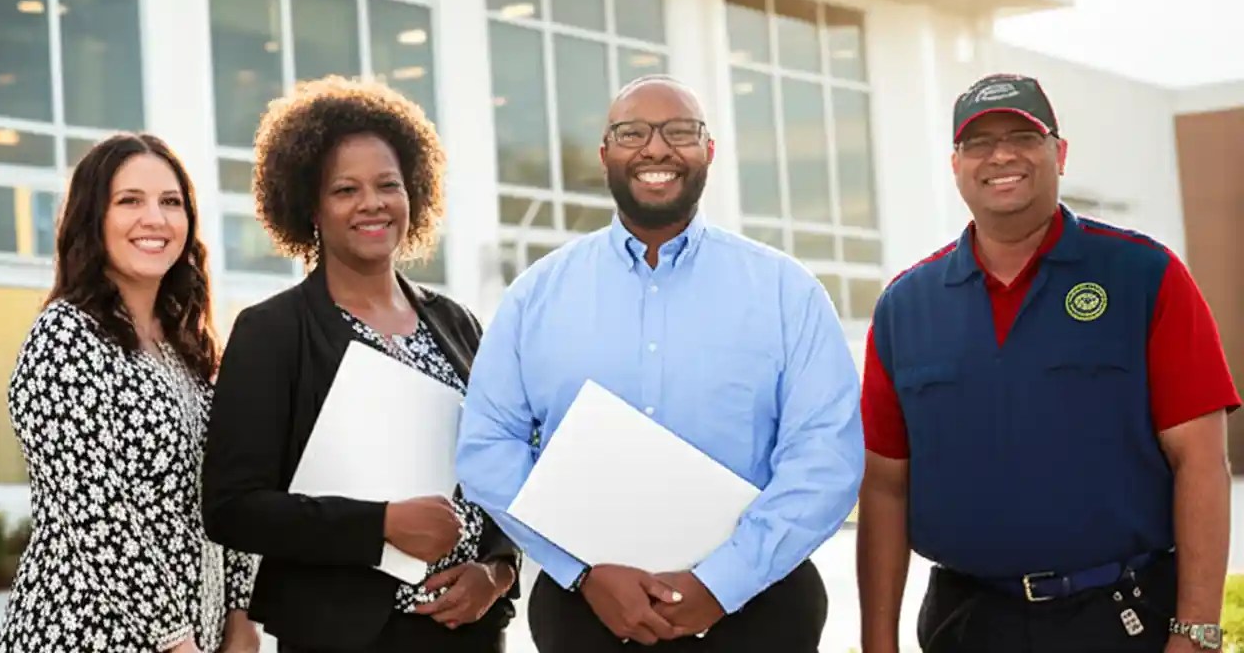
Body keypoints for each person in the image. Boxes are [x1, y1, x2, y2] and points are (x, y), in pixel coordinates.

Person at [455, 74, 863, 653]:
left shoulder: (785, 292)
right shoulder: (535, 296)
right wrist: (582, 568)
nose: (655, 149)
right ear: (605, 154)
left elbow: (826, 456)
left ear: (709, 152)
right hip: (585, 609)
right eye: (632, 132)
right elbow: (487, 446)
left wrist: (721, 584)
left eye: (679, 131)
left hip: (759, 611)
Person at [857, 73, 1240, 653]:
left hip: (1122, 615)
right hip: (966, 624)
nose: (1002, 155)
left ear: (1058, 153)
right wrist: (876, 642)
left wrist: (1197, 632)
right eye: (980, 143)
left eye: (1023, 136)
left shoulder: (1146, 276)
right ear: (956, 163)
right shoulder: (905, 306)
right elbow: (885, 489)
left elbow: (1202, 462)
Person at [201, 76, 520, 653]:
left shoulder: (457, 323)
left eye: (388, 185)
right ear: (310, 207)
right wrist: (381, 525)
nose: (372, 203)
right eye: (345, 189)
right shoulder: (273, 332)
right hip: (342, 636)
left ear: (412, 195)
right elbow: (233, 509)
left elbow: (499, 465)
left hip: (468, 632)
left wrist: (497, 573)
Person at [0, 133, 259, 653]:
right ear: (94, 219)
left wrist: (240, 615)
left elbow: (229, 485)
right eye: (129, 201)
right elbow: (97, 513)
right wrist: (177, 643)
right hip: (83, 635)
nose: (155, 219)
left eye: (171, 202)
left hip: (201, 636)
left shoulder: (191, 347)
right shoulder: (64, 338)